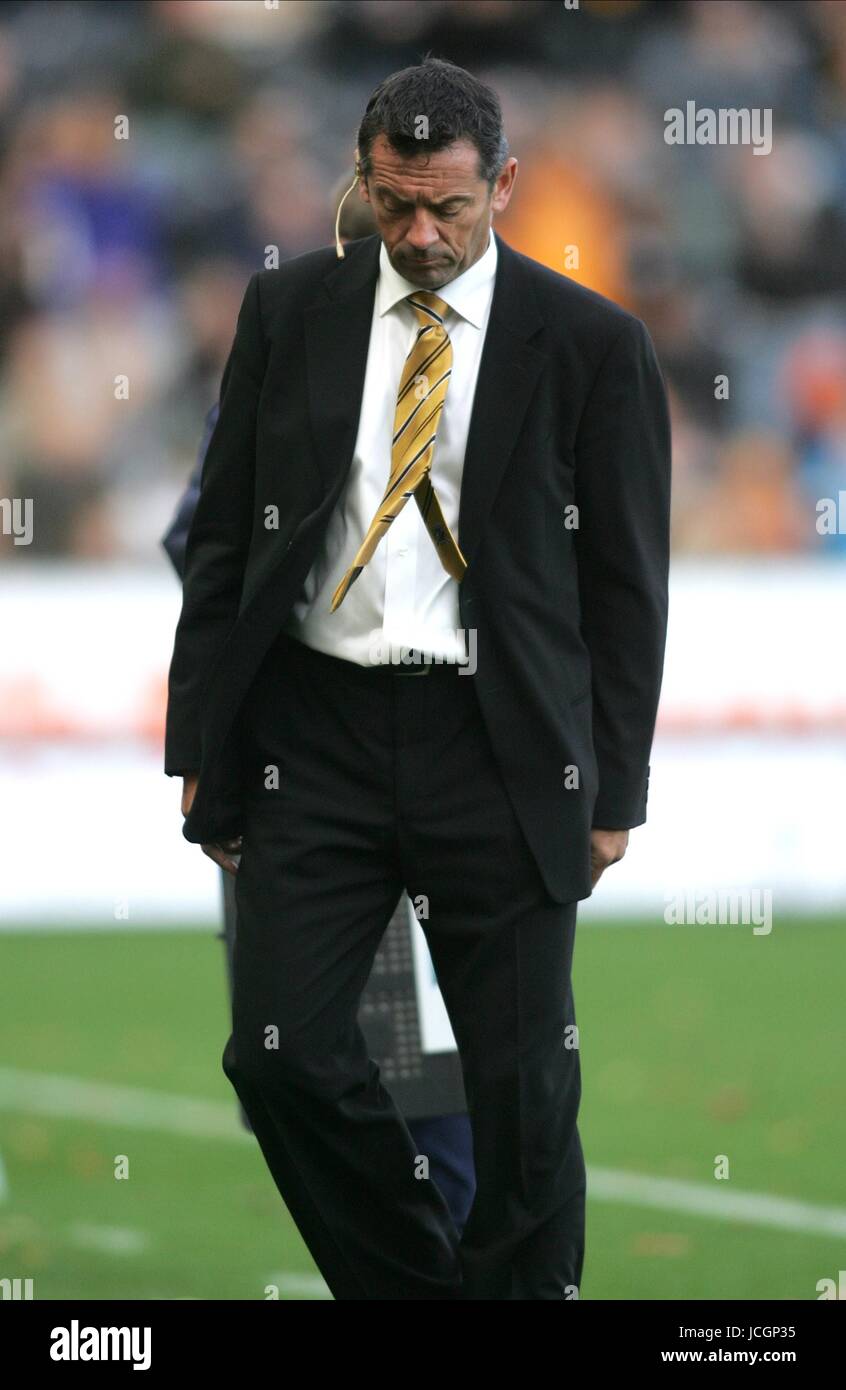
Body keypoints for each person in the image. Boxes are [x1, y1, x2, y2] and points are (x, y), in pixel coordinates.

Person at [164, 57, 671, 1300]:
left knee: (522, 1090)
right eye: (394, 203)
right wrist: (203, 754)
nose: (422, 232)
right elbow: (224, 542)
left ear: (504, 184)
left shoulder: (591, 342)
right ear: (363, 178)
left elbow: (626, 587)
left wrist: (616, 788)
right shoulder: (290, 312)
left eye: (448, 205)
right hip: (315, 735)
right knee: (277, 1055)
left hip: (497, 744)